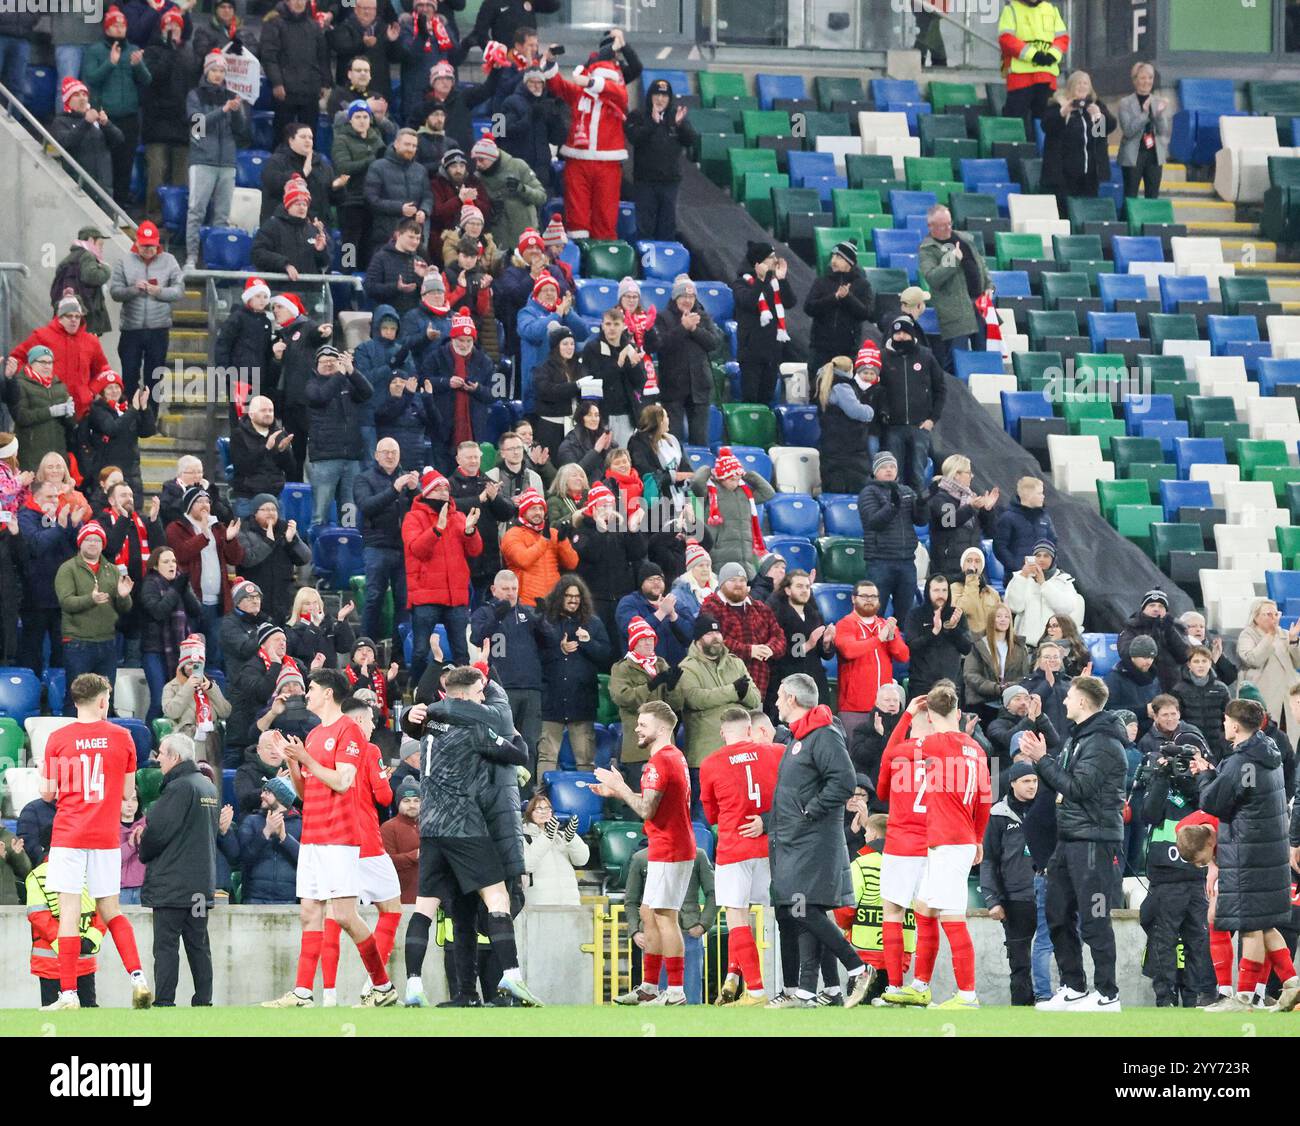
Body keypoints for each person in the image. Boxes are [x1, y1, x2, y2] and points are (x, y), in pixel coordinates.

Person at [399, 667, 543, 1008]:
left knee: (424, 908)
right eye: (480, 693)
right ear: (466, 694)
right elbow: (518, 754)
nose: (483, 699)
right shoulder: (476, 726)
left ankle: (413, 986)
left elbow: (408, 723)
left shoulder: (427, 724)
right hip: (464, 826)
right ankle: (512, 975)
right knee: (497, 900)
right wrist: (518, 737)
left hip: (430, 829)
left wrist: (407, 714)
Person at [260, 670, 399, 1007]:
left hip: (339, 835)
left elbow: (343, 781)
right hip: (313, 834)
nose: (306, 693)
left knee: (346, 916)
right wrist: (295, 764)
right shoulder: (314, 734)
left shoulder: (348, 730)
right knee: (309, 912)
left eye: (310, 688)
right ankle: (304, 992)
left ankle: (382, 986)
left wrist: (306, 759)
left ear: (326, 693)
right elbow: (307, 793)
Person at [37, 673, 152, 1010]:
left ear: (75, 701)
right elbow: (130, 792)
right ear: (103, 701)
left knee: (70, 913)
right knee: (111, 910)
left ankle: (69, 994)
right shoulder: (123, 736)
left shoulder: (58, 738)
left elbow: (46, 792)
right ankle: (138, 978)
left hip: (69, 834)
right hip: (104, 836)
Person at [759, 674, 873, 1007]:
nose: (777, 702)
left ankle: (857, 967)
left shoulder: (822, 735)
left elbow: (844, 780)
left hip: (812, 839)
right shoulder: (802, 738)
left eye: (780, 696)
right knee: (801, 908)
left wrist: (811, 812)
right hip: (796, 838)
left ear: (793, 699)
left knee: (801, 907)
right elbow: (795, 795)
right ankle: (808, 990)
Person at [1019, 675, 1127, 1012]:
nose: (1064, 701)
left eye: (1069, 698)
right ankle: (1073, 987)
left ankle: (1107, 994)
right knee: (1057, 912)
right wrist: (1040, 722)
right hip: (1070, 841)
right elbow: (1064, 760)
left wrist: (1040, 759)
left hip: (1094, 841)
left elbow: (1077, 787)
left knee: (1095, 918)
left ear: (1082, 702)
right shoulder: (1084, 737)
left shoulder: (1104, 743)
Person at [1188, 698, 1300, 1012]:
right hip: (1268, 851)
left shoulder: (1242, 762)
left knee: (1251, 924)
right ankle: (1291, 985)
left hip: (1247, 853)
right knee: (1265, 924)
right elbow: (1238, 791)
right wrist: (1216, 772)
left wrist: (1204, 776)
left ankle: (1244, 999)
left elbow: (1213, 803)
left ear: (1236, 725)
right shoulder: (1268, 754)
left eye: (1225, 721)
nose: (1224, 725)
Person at [883, 683, 991, 1009]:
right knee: (924, 908)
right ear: (958, 713)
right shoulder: (977, 748)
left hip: (948, 841)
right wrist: (979, 838)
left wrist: (906, 716)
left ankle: (967, 994)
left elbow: (891, 755)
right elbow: (984, 799)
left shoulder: (933, 744)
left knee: (953, 918)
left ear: (930, 714)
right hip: (956, 840)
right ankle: (919, 985)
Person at [591, 700, 694, 1005]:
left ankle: (675, 991)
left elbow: (647, 809)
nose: (636, 728)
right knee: (650, 913)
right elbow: (655, 803)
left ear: (661, 728)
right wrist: (619, 791)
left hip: (670, 847)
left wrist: (620, 787)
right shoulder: (673, 757)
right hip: (669, 844)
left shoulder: (660, 761)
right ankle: (649, 986)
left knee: (664, 917)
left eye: (643, 724)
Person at [316, 697, 402, 1007]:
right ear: (359, 722)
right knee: (391, 910)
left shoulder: (324, 750)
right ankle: (373, 987)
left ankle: (328, 996)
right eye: (370, 721)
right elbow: (384, 796)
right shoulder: (369, 750)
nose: (373, 727)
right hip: (365, 843)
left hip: (331, 843)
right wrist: (383, 780)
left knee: (334, 916)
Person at [700, 707, 782, 1006]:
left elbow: (710, 815)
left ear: (723, 733)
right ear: (750, 730)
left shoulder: (711, 763)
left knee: (737, 917)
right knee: (763, 916)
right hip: (770, 848)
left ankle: (757, 991)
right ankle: (734, 977)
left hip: (734, 849)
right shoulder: (776, 753)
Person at [136, 733, 217, 1007]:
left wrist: (143, 848)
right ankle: (204, 1001)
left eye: (161, 753)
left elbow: (157, 832)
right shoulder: (208, 787)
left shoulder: (179, 788)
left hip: (173, 886)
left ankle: (165, 1002)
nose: (158, 759)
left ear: (175, 757)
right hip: (200, 887)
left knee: (166, 946)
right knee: (199, 944)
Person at [1138, 729, 1216, 1007]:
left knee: (1197, 940)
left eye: (1191, 756)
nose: (1185, 763)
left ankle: (1194, 996)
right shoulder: (1162, 779)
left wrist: (1200, 776)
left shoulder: (1207, 780)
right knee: (1164, 938)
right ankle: (1165, 996)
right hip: (1165, 876)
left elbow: (1211, 805)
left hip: (1196, 875)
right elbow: (1148, 813)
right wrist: (1162, 775)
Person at [541, 36, 629, 241]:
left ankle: (604, 257)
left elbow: (619, 94)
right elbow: (557, 85)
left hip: (607, 164)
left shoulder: (616, 97)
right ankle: (579, 253)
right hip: (578, 161)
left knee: (605, 215)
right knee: (576, 212)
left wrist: (591, 81)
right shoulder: (580, 94)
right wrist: (551, 62)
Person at [400, 467, 481, 679]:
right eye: (439, 489)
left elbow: (475, 550)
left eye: (446, 488)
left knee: (461, 653)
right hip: (425, 594)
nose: (444, 493)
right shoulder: (413, 517)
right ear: (426, 493)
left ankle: (465, 694)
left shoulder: (460, 516)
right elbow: (417, 549)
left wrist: (470, 531)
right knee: (420, 651)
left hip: (455, 596)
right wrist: (437, 529)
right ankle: (416, 689)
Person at [469, 569, 551, 772]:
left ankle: (526, 795)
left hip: (531, 687)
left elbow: (549, 642)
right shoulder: (484, 612)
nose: (511, 593)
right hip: (501, 688)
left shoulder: (527, 613)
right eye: (505, 589)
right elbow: (477, 637)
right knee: (502, 740)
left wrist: (543, 619)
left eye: (514, 588)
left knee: (529, 743)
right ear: (494, 589)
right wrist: (496, 616)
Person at [183, 50, 250, 272]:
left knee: (222, 216)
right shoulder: (195, 95)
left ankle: (215, 259)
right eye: (214, 70)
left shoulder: (230, 95)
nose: (218, 75)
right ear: (206, 71)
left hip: (227, 162)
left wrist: (238, 112)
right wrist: (223, 111)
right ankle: (191, 258)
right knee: (196, 211)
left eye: (222, 70)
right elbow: (197, 126)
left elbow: (241, 131)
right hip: (202, 160)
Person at [537, 575, 611, 776]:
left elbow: (606, 657)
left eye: (577, 596)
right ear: (559, 597)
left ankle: (588, 801)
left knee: (586, 760)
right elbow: (536, 657)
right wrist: (558, 651)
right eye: (568, 596)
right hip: (552, 701)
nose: (573, 600)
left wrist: (587, 642)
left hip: (582, 702)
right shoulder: (546, 623)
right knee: (546, 757)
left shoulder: (593, 623)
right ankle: (541, 805)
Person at [981, 761, 1040, 1005]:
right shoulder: (998, 815)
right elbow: (989, 860)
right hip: (1015, 898)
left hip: (1046, 894)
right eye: (1026, 781)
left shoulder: (1047, 810)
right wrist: (992, 899)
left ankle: (1051, 998)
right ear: (1013, 783)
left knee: (1054, 951)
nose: (1032, 786)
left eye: (1035, 781)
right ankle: (1021, 1005)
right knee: (1019, 959)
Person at [55, 521, 134, 703]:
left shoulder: (113, 570)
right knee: (77, 699)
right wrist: (91, 599)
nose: (93, 543)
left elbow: (125, 608)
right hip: (78, 643)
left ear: (103, 544)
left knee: (104, 699)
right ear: (80, 543)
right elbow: (66, 602)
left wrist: (123, 596)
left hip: (107, 642)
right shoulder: (67, 569)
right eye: (88, 539)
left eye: (97, 540)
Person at [166, 486, 244, 665]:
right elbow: (181, 554)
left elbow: (236, 558)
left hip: (217, 603)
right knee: (190, 653)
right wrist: (203, 535)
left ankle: (212, 689)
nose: (205, 505)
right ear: (189, 505)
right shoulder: (176, 528)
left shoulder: (218, 527)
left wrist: (230, 540)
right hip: (190, 603)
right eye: (199, 501)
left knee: (215, 653)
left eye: (207, 501)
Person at [108, 221, 182, 401]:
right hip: (131, 329)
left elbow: (179, 291)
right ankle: (129, 418)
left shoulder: (169, 261)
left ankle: (149, 419)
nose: (148, 250)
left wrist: (159, 292)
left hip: (159, 329)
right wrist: (134, 290)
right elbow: (115, 292)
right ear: (136, 243)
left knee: (154, 378)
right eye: (144, 246)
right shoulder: (124, 261)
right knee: (129, 376)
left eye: (152, 246)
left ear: (157, 243)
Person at [25, 836, 102, 1009]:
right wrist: (80, 943)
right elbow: (38, 916)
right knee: (83, 1015)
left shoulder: (85, 871)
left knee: (70, 1018)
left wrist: (89, 940)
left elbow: (103, 910)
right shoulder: (38, 876)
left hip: (78, 960)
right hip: (54, 963)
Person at [699, 562, 787, 709]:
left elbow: (779, 636)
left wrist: (769, 649)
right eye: (732, 580)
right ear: (721, 584)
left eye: (742, 580)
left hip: (758, 687)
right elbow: (712, 641)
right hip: (723, 687)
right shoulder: (710, 607)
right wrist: (750, 651)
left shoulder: (760, 608)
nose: (738, 584)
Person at [918, 205, 995, 371]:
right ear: (930, 226)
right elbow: (933, 278)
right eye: (942, 225)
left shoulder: (964, 238)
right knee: (956, 359)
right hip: (955, 311)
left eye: (949, 223)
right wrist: (952, 260)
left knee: (983, 356)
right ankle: (954, 394)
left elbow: (981, 264)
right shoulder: (927, 249)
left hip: (980, 306)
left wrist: (989, 285)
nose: (948, 228)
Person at [8, 299, 111, 421]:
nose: (74, 319)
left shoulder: (91, 341)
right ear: (59, 317)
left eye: (77, 316)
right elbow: (16, 358)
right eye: (69, 316)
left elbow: (102, 370)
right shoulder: (42, 336)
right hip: (49, 406)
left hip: (82, 409)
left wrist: (91, 392)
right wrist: (33, 382)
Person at [876, 314, 946, 492]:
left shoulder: (926, 356)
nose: (901, 337)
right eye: (897, 334)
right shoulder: (883, 357)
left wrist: (932, 419)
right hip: (893, 427)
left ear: (912, 334)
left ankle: (918, 514)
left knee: (917, 474)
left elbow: (941, 388)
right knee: (893, 474)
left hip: (919, 426)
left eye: (904, 334)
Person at [305, 345, 373, 528]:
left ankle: (346, 548)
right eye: (324, 361)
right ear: (316, 365)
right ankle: (315, 553)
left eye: (333, 361)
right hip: (325, 458)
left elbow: (368, 392)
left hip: (351, 458)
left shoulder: (347, 382)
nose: (328, 364)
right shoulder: (312, 385)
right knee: (320, 513)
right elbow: (321, 396)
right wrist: (340, 374)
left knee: (349, 513)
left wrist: (352, 371)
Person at [834, 579, 909, 742]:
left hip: (884, 708)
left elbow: (903, 656)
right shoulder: (845, 624)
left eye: (874, 596)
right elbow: (849, 650)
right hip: (854, 708)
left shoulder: (885, 625)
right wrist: (879, 639)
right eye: (864, 596)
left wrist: (892, 637)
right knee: (856, 756)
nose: (869, 600)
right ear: (854, 599)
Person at [624, 77, 697, 240]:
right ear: (649, 96)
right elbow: (633, 138)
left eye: (664, 96)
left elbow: (691, 140)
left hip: (670, 182)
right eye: (656, 95)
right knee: (644, 225)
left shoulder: (676, 116)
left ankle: (665, 262)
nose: (660, 99)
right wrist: (652, 124)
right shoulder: (638, 115)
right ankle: (643, 261)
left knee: (667, 225)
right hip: (645, 182)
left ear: (669, 98)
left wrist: (681, 126)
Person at [656, 275, 724, 448]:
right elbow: (661, 345)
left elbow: (714, 343)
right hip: (673, 388)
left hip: (700, 386)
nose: (687, 300)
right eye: (683, 296)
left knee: (700, 440)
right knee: (674, 440)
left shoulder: (702, 317)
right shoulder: (663, 317)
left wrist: (694, 329)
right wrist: (682, 328)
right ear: (675, 298)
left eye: (691, 297)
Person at [690, 447, 774, 579]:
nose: (735, 483)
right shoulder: (710, 491)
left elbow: (768, 492)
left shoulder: (745, 492)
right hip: (719, 556)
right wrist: (708, 469)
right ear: (722, 477)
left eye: (738, 478)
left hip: (745, 557)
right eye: (731, 479)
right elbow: (696, 483)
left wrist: (748, 475)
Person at [449, 441, 516, 600]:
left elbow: (506, 514)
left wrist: (495, 498)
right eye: (469, 457)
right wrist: (478, 499)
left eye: (476, 457)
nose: (473, 461)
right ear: (458, 459)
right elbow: (450, 508)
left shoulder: (487, 481)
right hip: (463, 557)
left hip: (490, 557)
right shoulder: (450, 484)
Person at [858, 450, 920, 621]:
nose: (889, 470)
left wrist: (922, 502)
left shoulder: (907, 491)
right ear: (875, 471)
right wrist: (892, 505)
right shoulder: (868, 492)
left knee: (906, 617)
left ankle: (900, 647)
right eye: (884, 466)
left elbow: (920, 520)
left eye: (892, 466)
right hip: (880, 562)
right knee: (874, 615)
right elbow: (873, 522)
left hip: (907, 561)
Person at [1042, 70, 1116, 213]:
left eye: (1085, 83)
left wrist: (1099, 117)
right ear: (1071, 86)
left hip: (1090, 175)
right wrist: (1063, 113)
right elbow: (1047, 127)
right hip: (1063, 175)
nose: (1082, 86)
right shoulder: (1057, 105)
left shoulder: (1096, 105)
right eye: (1079, 83)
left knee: (1086, 213)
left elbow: (1101, 134)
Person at [259, 0, 331, 146]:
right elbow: (268, 57)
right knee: (283, 140)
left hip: (310, 91)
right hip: (285, 92)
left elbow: (323, 57)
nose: (299, 2)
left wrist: (325, 82)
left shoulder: (314, 26)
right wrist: (277, 82)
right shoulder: (273, 23)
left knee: (310, 140)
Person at [732, 241, 795, 406]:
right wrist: (759, 281)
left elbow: (790, 302)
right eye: (771, 257)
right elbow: (749, 302)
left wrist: (782, 280)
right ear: (758, 262)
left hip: (772, 352)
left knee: (767, 399)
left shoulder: (775, 283)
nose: (775, 261)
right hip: (751, 352)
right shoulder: (741, 283)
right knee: (751, 400)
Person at [766, 568, 836, 711]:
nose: (804, 590)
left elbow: (825, 655)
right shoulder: (776, 615)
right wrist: (808, 644)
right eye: (799, 586)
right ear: (787, 590)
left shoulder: (814, 614)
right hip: (787, 682)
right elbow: (779, 654)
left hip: (815, 680)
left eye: (807, 586)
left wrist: (827, 643)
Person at [804, 241, 876, 377]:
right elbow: (809, 307)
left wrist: (848, 297)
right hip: (820, 349)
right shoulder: (821, 281)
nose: (833, 261)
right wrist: (834, 298)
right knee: (816, 391)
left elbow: (867, 313)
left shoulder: (863, 285)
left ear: (849, 262)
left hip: (847, 351)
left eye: (838, 257)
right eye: (833, 257)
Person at [817, 346, 881, 495]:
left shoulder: (824, 381)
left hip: (831, 446)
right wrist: (870, 410)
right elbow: (855, 411)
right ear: (849, 369)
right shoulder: (842, 386)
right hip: (846, 448)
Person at [499, 487, 579, 607]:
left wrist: (562, 542)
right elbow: (523, 560)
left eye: (541, 508)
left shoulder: (553, 533)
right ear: (523, 512)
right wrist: (544, 540)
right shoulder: (512, 534)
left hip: (553, 602)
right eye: (533, 509)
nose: (538, 512)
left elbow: (572, 563)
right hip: (526, 603)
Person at [997, 0, 1070, 129]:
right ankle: (1019, 149)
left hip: (1046, 76)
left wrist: (1053, 55)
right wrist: (1034, 55)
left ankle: (1042, 149)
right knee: (1016, 118)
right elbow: (1006, 39)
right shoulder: (1011, 9)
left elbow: (1062, 38)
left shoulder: (1051, 9)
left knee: (1045, 120)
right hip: (1020, 76)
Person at [927, 456, 1000, 584]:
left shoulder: (970, 497)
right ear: (956, 474)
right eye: (968, 473)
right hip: (948, 568)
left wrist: (987, 510)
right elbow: (949, 522)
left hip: (974, 565)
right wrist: (970, 507)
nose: (972, 476)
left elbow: (990, 531)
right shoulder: (940, 497)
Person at [51, 76, 125, 200]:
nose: (82, 98)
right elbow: (65, 143)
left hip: (104, 189)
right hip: (78, 190)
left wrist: (107, 125)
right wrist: (85, 122)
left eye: (84, 94)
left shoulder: (96, 122)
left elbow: (119, 140)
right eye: (76, 95)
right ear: (68, 100)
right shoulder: (60, 122)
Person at [1236, 598, 1300, 735]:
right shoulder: (1247, 635)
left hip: (1288, 694)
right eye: (1268, 614)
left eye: (1276, 614)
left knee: (1291, 736)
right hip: (1265, 694)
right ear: (1256, 617)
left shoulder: (1284, 633)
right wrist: (1269, 637)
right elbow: (1252, 659)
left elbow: (1297, 662)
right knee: (1266, 734)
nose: (1274, 618)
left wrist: (1294, 639)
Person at [1004, 540, 1085, 647]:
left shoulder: (1063, 580)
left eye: (1046, 556)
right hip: (1025, 645)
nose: (1041, 559)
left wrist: (1043, 584)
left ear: (1053, 558)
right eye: (1038, 555)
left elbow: (1065, 608)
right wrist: (1022, 577)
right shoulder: (1020, 578)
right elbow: (1015, 607)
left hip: (1055, 645)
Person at [903, 575, 972, 701]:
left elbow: (967, 648)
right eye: (936, 590)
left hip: (951, 686)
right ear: (927, 591)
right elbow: (911, 647)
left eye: (944, 590)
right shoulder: (915, 615)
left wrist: (952, 629)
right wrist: (934, 632)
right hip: (921, 686)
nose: (941, 595)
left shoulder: (957, 615)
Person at [364, 128, 434, 251]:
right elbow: (371, 200)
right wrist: (400, 208)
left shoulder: (421, 170)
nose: (410, 149)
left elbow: (427, 196)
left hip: (414, 235)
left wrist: (424, 210)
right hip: (386, 235)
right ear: (396, 144)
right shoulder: (378, 167)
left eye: (414, 146)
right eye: (407, 144)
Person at [252, 177, 333, 280]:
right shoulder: (272, 226)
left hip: (310, 291)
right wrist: (285, 264)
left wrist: (321, 251)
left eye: (304, 204)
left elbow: (325, 264)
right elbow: (258, 253)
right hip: (280, 290)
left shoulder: (314, 230)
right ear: (288, 205)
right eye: (297, 204)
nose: (302, 207)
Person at [237, 779, 303, 905]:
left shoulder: (301, 824)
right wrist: (265, 832)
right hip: (254, 898)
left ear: (281, 796)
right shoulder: (251, 821)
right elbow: (243, 858)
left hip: (289, 899)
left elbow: (306, 862)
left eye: (267, 792)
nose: (261, 795)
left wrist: (284, 837)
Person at [259, 123, 337, 226]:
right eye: (303, 137)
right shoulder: (276, 161)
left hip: (316, 225)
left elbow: (333, 199)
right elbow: (273, 185)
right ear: (291, 140)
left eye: (310, 137)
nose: (308, 140)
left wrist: (337, 188)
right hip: (283, 226)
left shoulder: (322, 164)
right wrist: (302, 173)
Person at [521, 791, 589, 907]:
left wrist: (571, 838)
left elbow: (581, 860)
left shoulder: (561, 836)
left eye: (547, 808)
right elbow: (527, 864)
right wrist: (547, 837)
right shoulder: (524, 837)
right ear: (529, 812)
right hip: (540, 904)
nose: (544, 812)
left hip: (570, 903)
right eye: (538, 809)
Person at [964, 602, 1031, 719]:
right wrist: (996, 688)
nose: (1003, 620)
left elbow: (1024, 676)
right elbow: (971, 675)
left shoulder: (1020, 647)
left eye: (1006, 617)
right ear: (991, 620)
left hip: (1011, 705)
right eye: (999, 616)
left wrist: (1009, 687)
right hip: (982, 703)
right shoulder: (977, 645)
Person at [1118, 588, 1191, 694]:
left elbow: (1185, 655)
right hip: (1143, 686)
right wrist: (1152, 634)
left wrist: (1170, 631)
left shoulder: (1176, 627)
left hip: (1173, 686)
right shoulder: (1132, 627)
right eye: (1152, 605)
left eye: (1161, 606)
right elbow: (1125, 652)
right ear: (1143, 608)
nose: (1156, 609)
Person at [1117, 61, 1171, 201]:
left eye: (1150, 78)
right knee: (1130, 196)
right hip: (1133, 154)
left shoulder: (1158, 101)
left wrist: (1158, 114)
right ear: (1135, 80)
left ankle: (1149, 223)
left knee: (1153, 196)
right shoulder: (1125, 103)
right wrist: (1145, 113)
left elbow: (1164, 131)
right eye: (1142, 78)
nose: (1146, 81)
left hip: (1154, 154)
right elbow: (1128, 131)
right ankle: (1128, 222)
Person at [1172, 646, 1233, 761]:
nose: (1201, 665)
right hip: (1190, 747)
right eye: (1196, 661)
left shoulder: (1221, 689)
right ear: (1189, 665)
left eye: (1204, 661)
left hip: (1218, 747)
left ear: (1210, 663)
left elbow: (1230, 716)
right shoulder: (1178, 690)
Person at [993, 475, 1057, 577]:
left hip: (1043, 576)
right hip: (1017, 576)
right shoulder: (1007, 518)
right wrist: (1016, 567)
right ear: (1028, 495)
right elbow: (999, 547)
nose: (1043, 496)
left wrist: (1048, 566)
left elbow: (1053, 543)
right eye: (1040, 493)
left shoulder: (1044, 517)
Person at [381, 778, 420, 904]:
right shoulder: (388, 828)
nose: (412, 805)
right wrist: (416, 855)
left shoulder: (429, 826)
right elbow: (385, 863)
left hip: (430, 898)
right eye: (406, 801)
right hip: (400, 898)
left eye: (416, 800)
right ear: (398, 803)